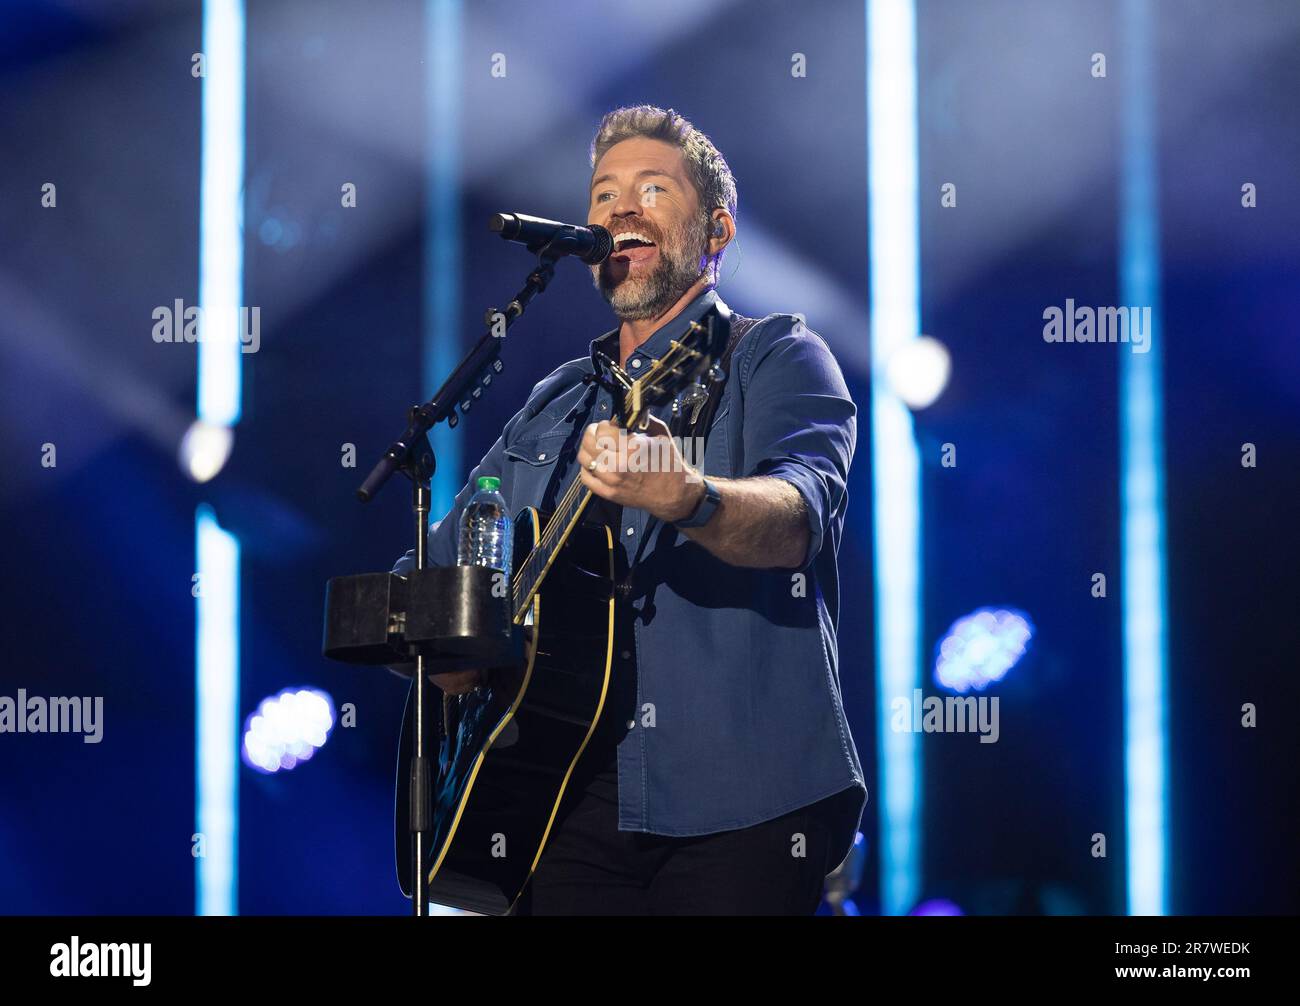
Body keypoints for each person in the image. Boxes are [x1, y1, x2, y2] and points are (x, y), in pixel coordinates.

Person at [396, 104, 864, 915]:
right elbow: (433, 576)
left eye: (653, 188)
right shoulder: (556, 404)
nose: (620, 209)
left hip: (745, 799)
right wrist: (446, 652)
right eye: (604, 195)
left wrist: (691, 495)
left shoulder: (778, 353)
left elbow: (799, 516)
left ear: (715, 231)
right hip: (561, 799)